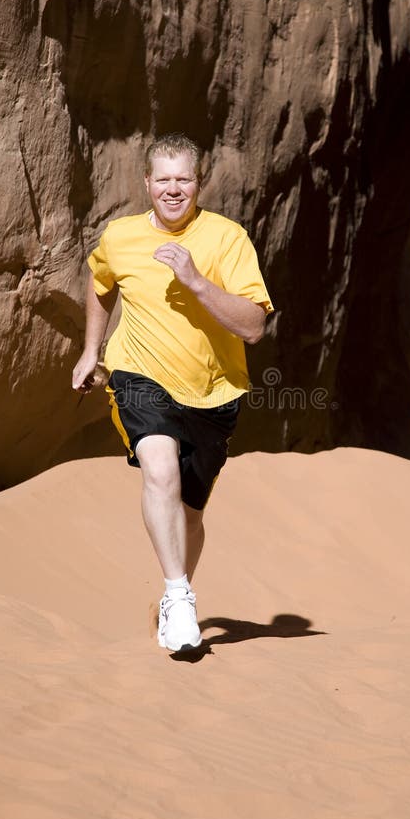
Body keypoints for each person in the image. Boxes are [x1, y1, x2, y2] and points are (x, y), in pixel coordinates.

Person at [72, 133, 273, 652]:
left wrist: (198, 282)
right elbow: (101, 284)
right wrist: (92, 350)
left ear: (198, 183)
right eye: (163, 179)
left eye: (183, 178)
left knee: (191, 513)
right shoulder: (120, 236)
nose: (173, 189)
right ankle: (178, 593)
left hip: (214, 392)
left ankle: (175, 590)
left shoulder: (227, 239)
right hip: (138, 373)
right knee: (158, 468)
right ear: (146, 183)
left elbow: (253, 327)